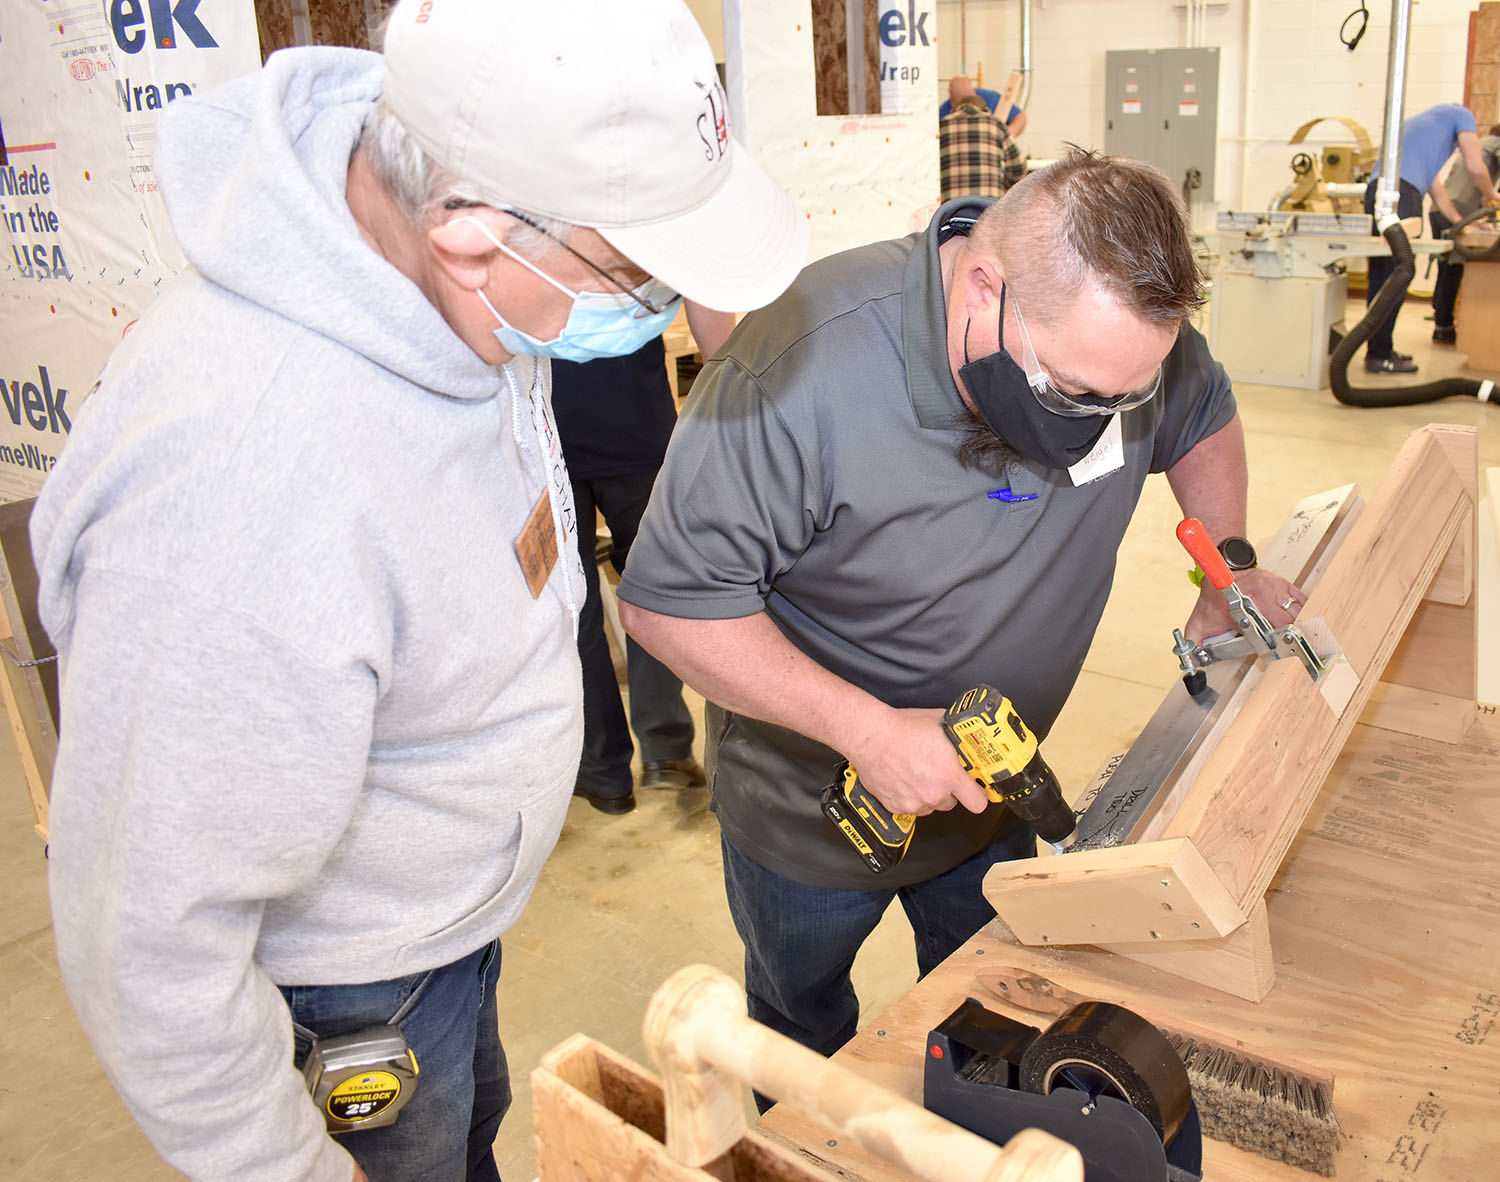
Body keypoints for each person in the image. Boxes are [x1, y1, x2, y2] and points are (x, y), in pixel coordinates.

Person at [28, 1, 806, 1179]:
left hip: (440, 939)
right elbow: (146, 936)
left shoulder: (456, 291)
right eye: (642, 281)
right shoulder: (239, 489)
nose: (657, 313)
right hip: (346, 990)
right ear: (472, 235)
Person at [615, 149, 1302, 1100]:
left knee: (998, 1026)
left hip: (993, 802)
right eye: (1075, 392)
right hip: (812, 817)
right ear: (983, 289)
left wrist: (1225, 563)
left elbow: (1203, 413)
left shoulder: (1115, 340)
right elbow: (669, 602)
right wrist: (867, 731)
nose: (1102, 415)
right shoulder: (795, 366)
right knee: (801, 1035)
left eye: (1127, 395)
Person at [554, 305, 734, 814]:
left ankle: (602, 771)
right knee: (656, 590)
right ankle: (665, 750)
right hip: (635, 420)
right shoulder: (654, 240)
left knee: (573, 607)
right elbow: (709, 310)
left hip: (551, 427)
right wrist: (731, 407)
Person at [1362, 103, 1500, 373]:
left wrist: (1463, 222)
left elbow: (1438, 193)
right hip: (1400, 192)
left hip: (1380, 190)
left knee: (1386, 274)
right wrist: (1490, 195)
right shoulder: (1461, 114)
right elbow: (1476, 168)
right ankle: (1378, 355)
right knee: (1397, 274)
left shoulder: (1420, 132)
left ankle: (1380, 348)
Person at [1430, 123, 1500, 343]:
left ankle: (1441, 321)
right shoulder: (1495, 145)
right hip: (1455, 211)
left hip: (1440, 209)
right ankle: (1443, 326)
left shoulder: (1480, 146)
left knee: (1446, 265)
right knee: (1453, 267)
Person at [939, 77, 1026, 202]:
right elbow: (1018, 169)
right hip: (988, 205)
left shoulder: (941, 125)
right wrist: (1002, 182)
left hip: (952, 207)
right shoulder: (995, 123)